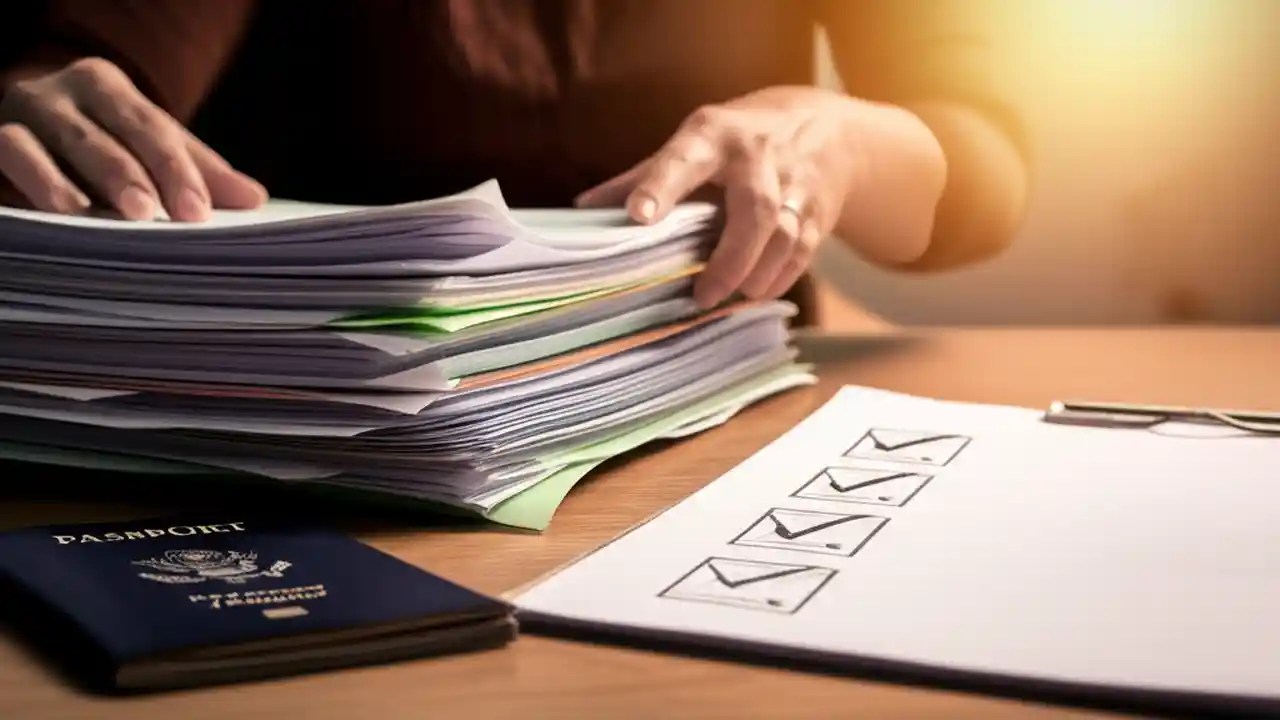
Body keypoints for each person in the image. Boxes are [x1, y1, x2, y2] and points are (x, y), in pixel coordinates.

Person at [0, 1, 1027, 319]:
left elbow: (984, 170)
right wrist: (37, 97)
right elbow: (94, 64)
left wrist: (842, 139)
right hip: (333, 476)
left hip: (720, 424)